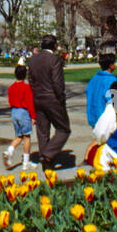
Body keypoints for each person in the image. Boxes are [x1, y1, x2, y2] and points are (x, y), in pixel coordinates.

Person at [28, 34, 72, 170]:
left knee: (42, 131)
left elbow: (30, 80)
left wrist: (36, 93)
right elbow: (58, 83)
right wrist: (61, 98)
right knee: (64, 129)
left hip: (38, 98)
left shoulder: (33, 60)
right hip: (52, 98)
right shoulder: (54, 60)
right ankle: (47, 155)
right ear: (54, 46)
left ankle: (46, 163)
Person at [2, 64, 36, 171]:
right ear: (25, 75)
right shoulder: (26, 87)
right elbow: (30, 103)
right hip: (23, 112)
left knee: (19, 136)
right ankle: (26, 162)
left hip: (14, 112)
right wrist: (34, 116)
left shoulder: (11, 87)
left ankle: (9, 151)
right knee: (27, 137)